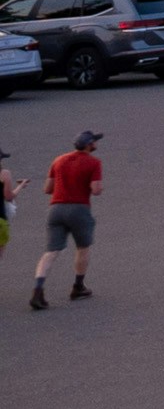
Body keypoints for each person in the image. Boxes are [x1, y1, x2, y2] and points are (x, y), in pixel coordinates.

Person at [34, 130, 100, 308]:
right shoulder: (93, 163)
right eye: (94, 142)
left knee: (51, 252)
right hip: (79, 209)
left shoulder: (59, 160)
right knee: (82, 248)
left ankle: (38, 289)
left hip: (56, 209)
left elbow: (48, 188)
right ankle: (78, 287)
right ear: (89, 145)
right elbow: (95, 189)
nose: (96, 144)